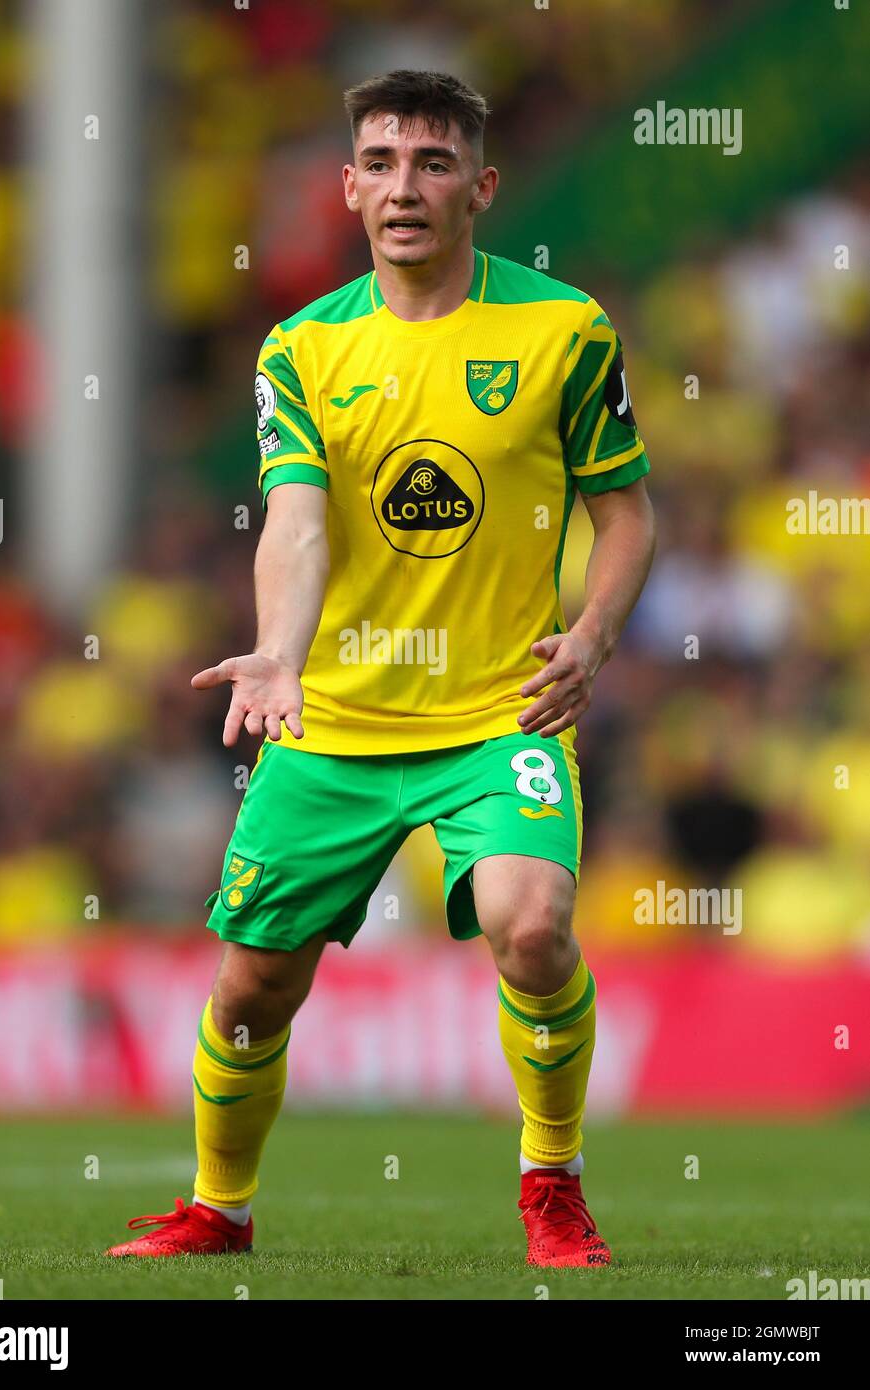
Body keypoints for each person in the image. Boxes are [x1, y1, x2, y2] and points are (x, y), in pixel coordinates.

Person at [107, 69, 655, 1269]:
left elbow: (625, 514)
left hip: (496, 716)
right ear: (348, 186)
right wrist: (281, 654)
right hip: (336, 720)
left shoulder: (564, 331)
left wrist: (595, 631)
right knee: (252, 985)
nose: (404, 186)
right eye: (382, 161)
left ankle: (550, 1183)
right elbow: (295, 519)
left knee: (533, 924)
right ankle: (218, 1207)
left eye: (433, 161)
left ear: (481, 187)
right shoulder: (302, 349)